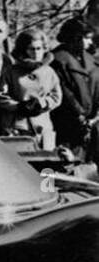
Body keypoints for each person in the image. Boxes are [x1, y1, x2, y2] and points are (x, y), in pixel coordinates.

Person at [0, 29, 63, 149]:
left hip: (42, 126)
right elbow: (0, 94)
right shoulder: (12, 71)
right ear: (24, 50)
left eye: (39, 48)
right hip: (16, 126)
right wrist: (18, 106)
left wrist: (43, 103)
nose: (35, 53)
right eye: (31, 49)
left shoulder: (49, 72)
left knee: (45, 166)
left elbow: (56, 96)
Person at [50, 17, 99, 160]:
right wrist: (79, 115)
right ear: (76, 37)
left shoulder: (92, 61)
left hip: (91, 124)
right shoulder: (57, 60)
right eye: (87, 38)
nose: (90, 42)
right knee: (64, 163)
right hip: (66, 123)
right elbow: (64, 91)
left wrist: (94, 117)